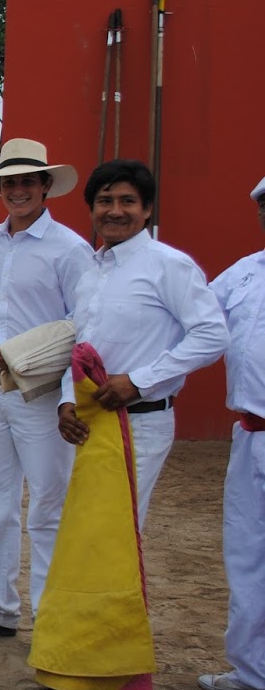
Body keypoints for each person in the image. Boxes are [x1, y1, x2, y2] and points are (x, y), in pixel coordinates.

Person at [0, 140, 92, 640]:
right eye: (9, 182)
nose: (18, 190)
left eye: (27, 182)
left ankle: (51, 616)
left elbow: (82, 326)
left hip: (39, 387)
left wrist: (67, 394)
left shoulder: (71, 250)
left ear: (44, 188)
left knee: (47, 503)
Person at [57, 159, 227, 525]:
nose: (115, 211)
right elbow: (81, 346)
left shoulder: (169, 265)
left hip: (140, 422)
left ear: (147, 209)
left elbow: (212, 335)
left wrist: (139, 381)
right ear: (91, 210)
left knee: (116, 531)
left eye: (127, 201)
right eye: (104, 201)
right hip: (88, 422)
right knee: (83, 530)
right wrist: (67, 400)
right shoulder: (91, 271)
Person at [198, 175, 265, 690]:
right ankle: (252, 668)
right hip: (249, 434)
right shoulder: (243, 274)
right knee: (245, 554)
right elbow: (193, 322)